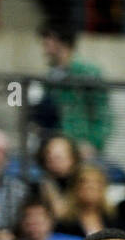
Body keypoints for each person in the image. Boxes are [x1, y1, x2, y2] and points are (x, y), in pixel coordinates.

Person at [35, 23, 112, 156]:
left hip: (80, 147)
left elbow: (102, 112)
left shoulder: (87, 73)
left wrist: (93, 144)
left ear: (58, 41)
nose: (44, 49)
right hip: (56, 146)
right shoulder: (51, 75)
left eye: (47, 42)